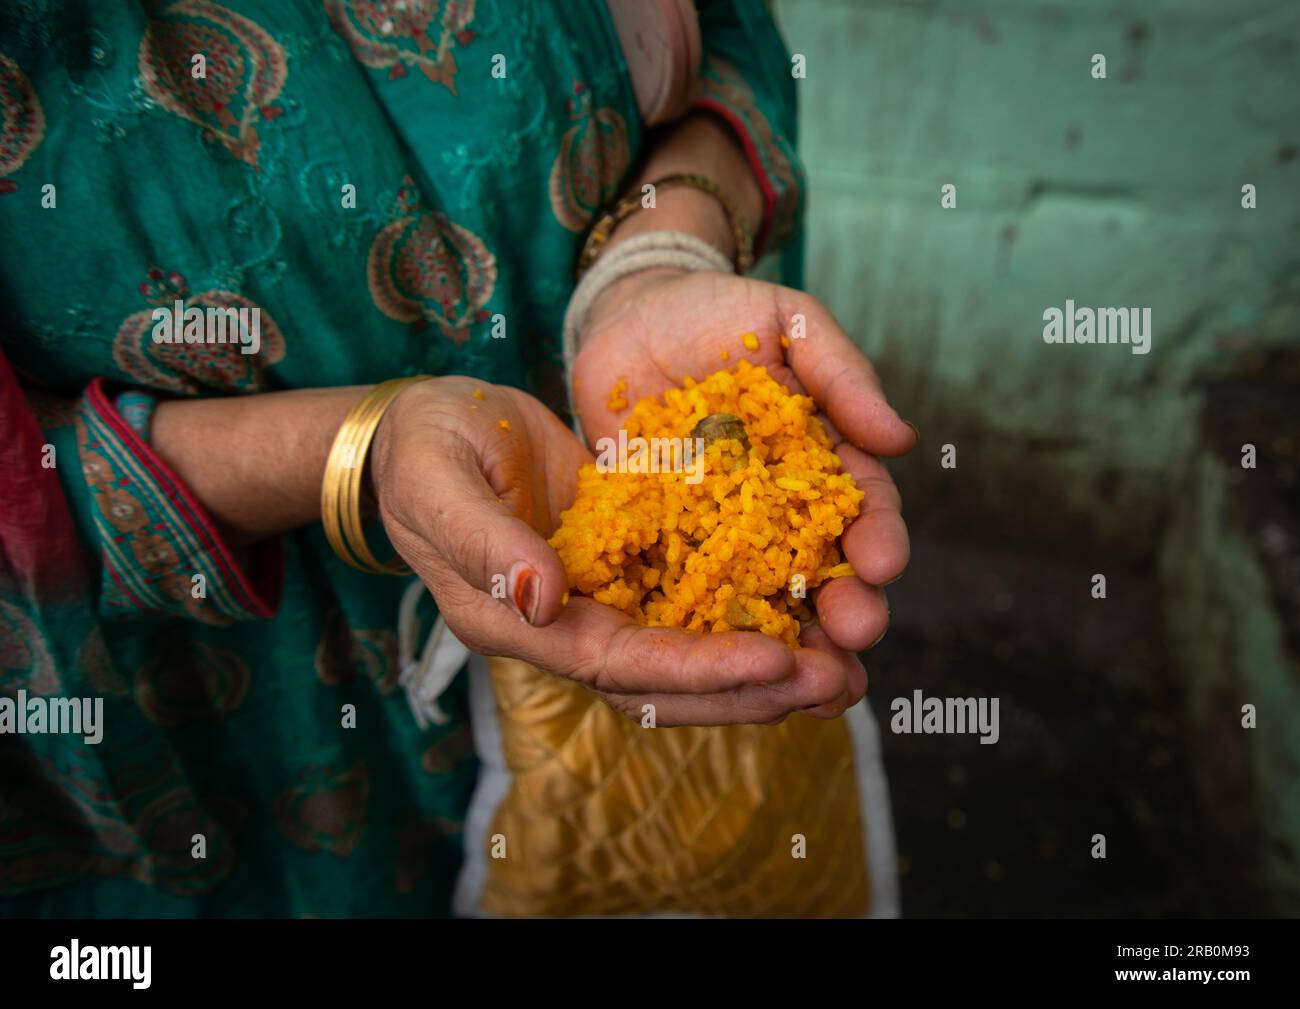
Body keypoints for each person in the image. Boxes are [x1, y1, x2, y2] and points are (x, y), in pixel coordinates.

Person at [0, 0, 915, 916]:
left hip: (618, 442)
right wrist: (365, 450)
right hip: (263, 685)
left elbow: (730, 39)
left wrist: (656, 255)